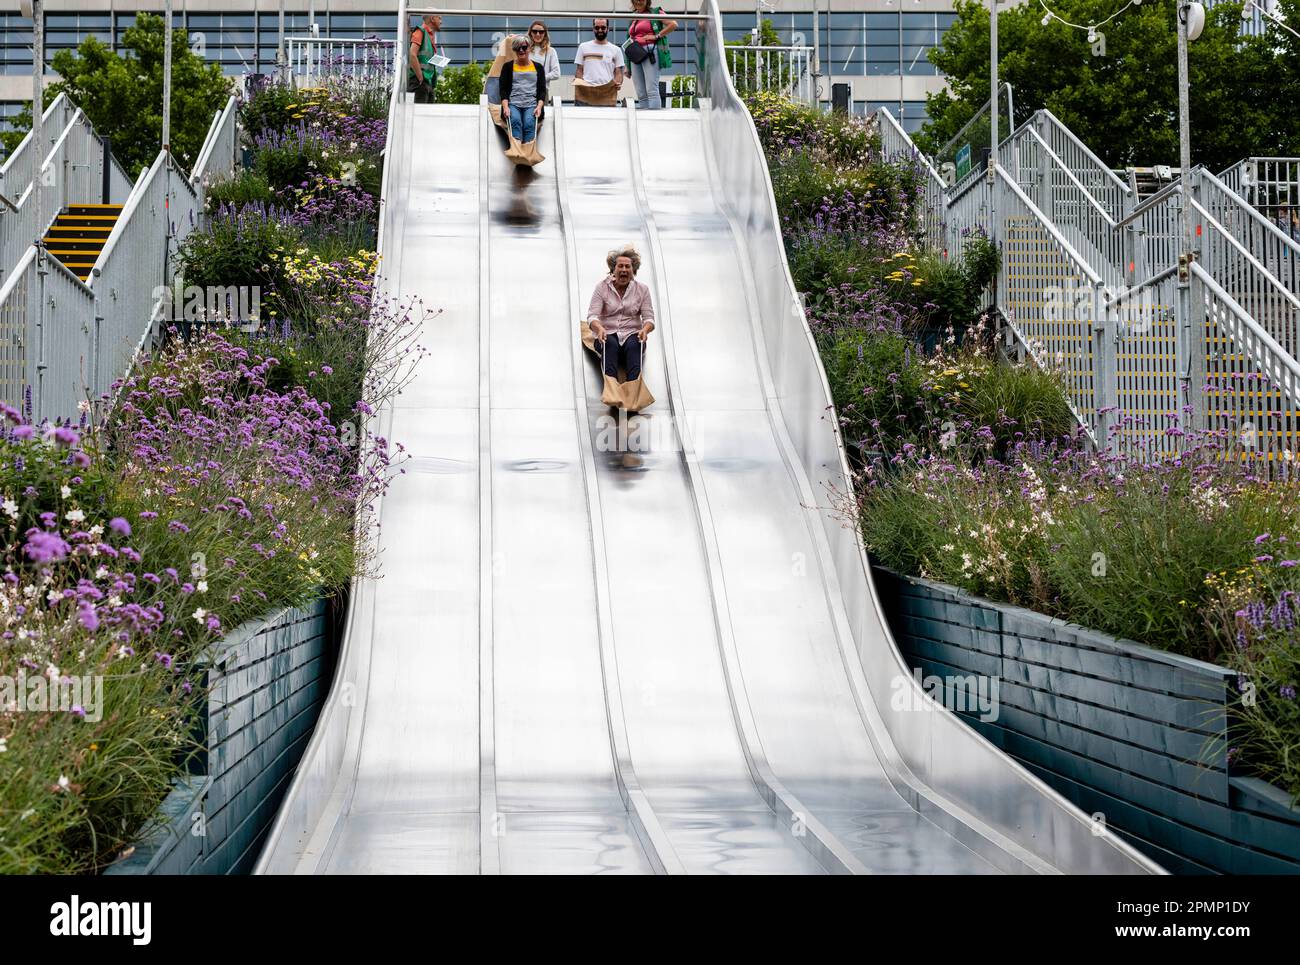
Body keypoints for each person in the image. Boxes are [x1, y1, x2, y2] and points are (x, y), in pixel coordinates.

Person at [588, 246, 655, 396]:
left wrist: (645, 330)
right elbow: (592, 316)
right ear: (613, 269)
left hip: (632, 333)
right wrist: (599, 328)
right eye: (620, 266)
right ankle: (612, 391)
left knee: (634, 345)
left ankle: (633, 392)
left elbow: (649, 318)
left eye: (627, 266)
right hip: (607, 333)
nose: (624, 269)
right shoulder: (602, 288)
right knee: (609, 344)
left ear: (633, 270)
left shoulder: (642, 289)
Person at [625, 0, 676, 110]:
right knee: (640, 92)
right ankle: (644, 118)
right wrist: (627, 65)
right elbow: (629, 39)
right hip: (635, 53)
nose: (638, 1)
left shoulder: (655, 12)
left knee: (651, 90)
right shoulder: (634, 16)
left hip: (649, 51)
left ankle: (654, 118)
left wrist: (657, 36)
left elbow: (673, 24)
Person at [499, 37, 547, 144]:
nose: (521, 50)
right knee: (515, 120)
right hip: (513, 103)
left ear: (529, 48)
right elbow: (503, 89)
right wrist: (505, 107)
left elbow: (542, 90)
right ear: (514, 50)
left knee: (529, 123)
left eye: (524, 47)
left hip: (531, 104)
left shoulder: (538, 67)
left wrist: (539, 107)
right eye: (517, 48)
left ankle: (528, 149)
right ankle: (517, 149)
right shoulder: (507, 67)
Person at [574, 18, 626, 105]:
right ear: (593, 29)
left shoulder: (616, 50)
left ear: (608, 29)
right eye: (597, 28)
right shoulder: (583, 47)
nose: (600, 30)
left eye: (603, 27)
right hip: (586, 93)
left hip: (607, 94)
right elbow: (579, 70)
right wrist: (580, 83)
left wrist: (618, 83)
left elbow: (618, 72)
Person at [407, 14, 443, 104]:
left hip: (428, 83)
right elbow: (412, 54)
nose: (441, 22)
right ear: (432, 19)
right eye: (439, 18)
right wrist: (420, 77)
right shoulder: (420, 31)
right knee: (419, 112)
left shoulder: (429, 35)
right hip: (420, 83)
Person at [528, 20, 561, 85]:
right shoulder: (525, 49)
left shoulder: (550, 51)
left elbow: (556, 73)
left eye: (541, 32)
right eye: (534, 31)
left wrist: (542, 78)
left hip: (542, 88)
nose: (538, 34)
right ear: (530, 33)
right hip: (525, 88)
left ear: (545, 34)